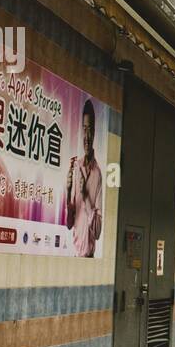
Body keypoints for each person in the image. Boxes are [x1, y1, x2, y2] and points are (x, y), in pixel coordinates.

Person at [67, 98, 103, 257]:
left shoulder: (98, 174)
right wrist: (68, 191)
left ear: (94, 132)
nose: (87, 136)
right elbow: (68, 223)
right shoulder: (75, 168)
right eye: (84, 129)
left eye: (90, 130)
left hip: (89, 258)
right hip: (74, 256)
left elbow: (97, 231)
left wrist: (86, 196)